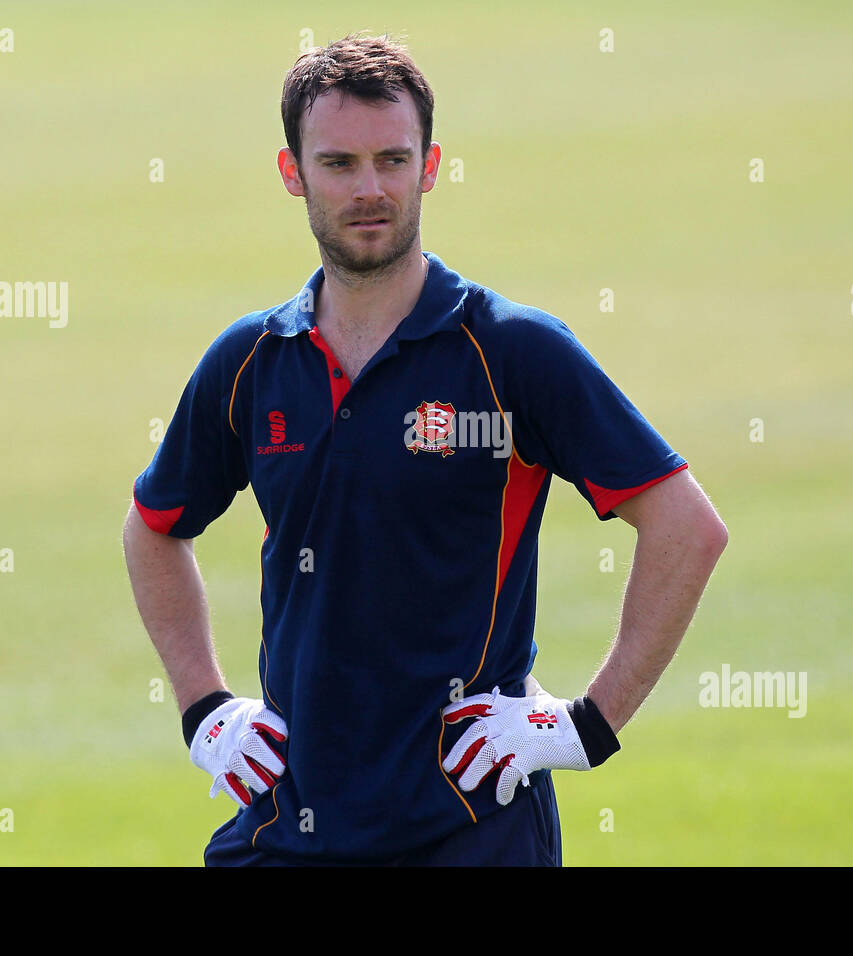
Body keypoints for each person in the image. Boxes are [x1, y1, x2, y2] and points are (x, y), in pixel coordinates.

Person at [122, 31, 728, 866]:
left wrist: (587, 726)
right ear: (292, 173)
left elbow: (688, 529)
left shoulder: (515, 352)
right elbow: (154, 525)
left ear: (431, 165)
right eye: (338, 164)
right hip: (288, 826)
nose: (369, 189)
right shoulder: (251, 363)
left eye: (392, 160)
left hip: (471, 832)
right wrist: (205, 708)